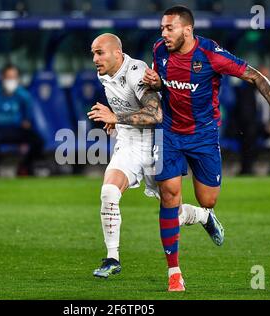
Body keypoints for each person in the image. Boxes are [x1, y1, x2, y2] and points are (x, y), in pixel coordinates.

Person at [142, 5, 270, 291]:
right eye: (162, 28)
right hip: (168, 133)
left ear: (187, 30)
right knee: (169, 195)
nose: (164, 33)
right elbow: (160, 84)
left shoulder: (210, 54)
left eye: (170, 28)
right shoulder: (159, 50)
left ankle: (204, 216)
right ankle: (174, 273)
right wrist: (156, 84)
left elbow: (255, 75)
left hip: (203, 135)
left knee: (207, 200)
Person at [87, 33, 223, 280]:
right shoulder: (104, 73)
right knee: (108, 192)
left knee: (175, 212)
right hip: (129, 143)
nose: (95, 58)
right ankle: (112, 258)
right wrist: (116, 118)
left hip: (158, 142)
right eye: (93, 53)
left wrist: (115, 118)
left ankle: (203, 215)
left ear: (117, 54)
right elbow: (126, 106)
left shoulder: (137, 73)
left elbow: (155, 114)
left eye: (100, 53)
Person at [233, 65, 270, 174]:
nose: (265, 82)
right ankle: (247, 169)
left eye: (267, 78)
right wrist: (266, 126)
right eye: (262, 78)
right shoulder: (246, 92)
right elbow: (246, 116)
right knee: (250, 131)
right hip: (253, 126)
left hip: (269, 126)